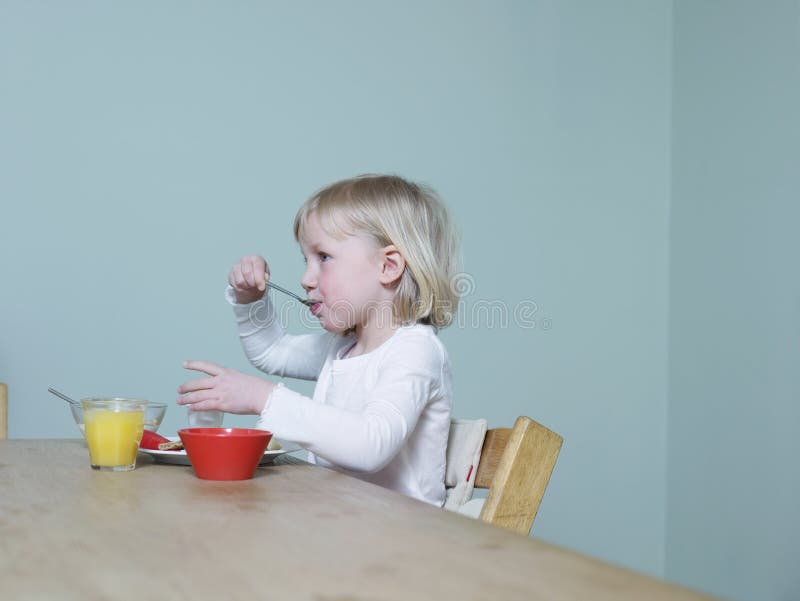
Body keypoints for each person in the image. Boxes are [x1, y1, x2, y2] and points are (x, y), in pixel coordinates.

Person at [177, 174, 460, 506]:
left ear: (388, 266)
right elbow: (272, 351)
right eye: (305, 260)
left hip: (403, 541)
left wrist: (263, 398)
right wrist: (248, 299)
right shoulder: (341, 348)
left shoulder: (415, 350)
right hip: (339, 528)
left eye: (323, 258)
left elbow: (371, 445)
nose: (306, 279)